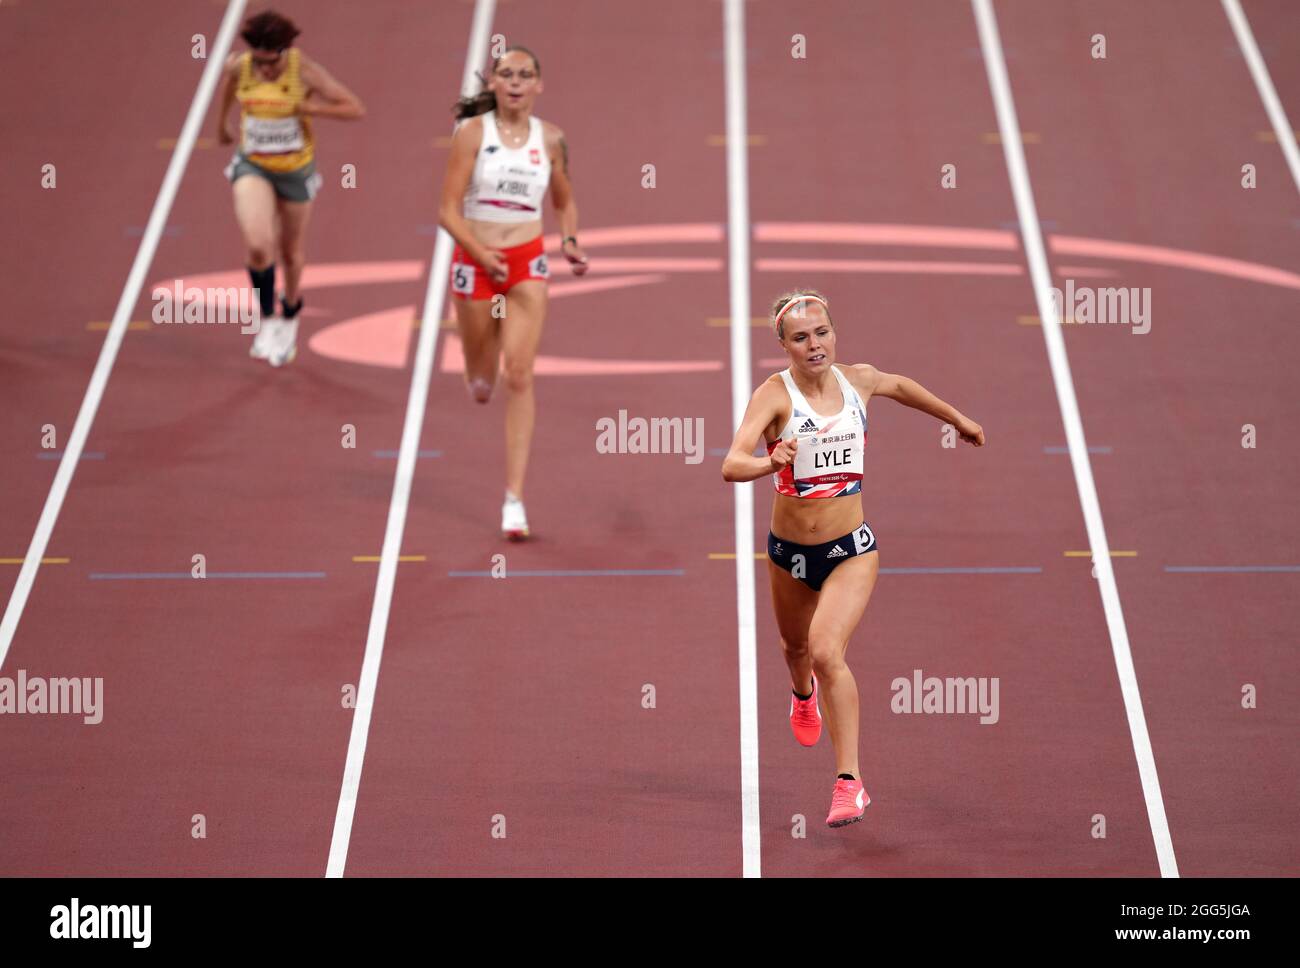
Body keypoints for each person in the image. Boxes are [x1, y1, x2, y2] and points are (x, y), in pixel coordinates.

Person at [722, 289, 985, 827]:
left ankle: (849, 784)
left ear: (834, 334)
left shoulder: (856, 380)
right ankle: (802, 697)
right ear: (783, 345)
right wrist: (770, 462)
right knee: (794, 648)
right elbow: (730, 464)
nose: (813, 344)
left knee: (824, 649)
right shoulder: (774, 396)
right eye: (800, 338)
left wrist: (955, 418)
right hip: (789, 552)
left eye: (821, 333)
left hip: (850, 549)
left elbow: (902, 386)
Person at [437, 46, 588, 540]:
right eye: (507, 75)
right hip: (476, 262)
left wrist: (568, 240)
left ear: (539, 85)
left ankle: (514, 499)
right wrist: (480, 253)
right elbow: (447, 211)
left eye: (526, 75)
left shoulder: (552, 139)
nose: (517, 83)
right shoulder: (472, 135)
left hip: (525, 265)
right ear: (495, 83)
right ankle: (475, 359)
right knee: (483, 382)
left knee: (519, 375)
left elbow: (564, 200)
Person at [215, 10, 365, 367]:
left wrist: (308, 107)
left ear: (284, 51)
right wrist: (222, 124)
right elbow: (229, 89)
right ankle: (266, 319)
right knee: (257, 245)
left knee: (291, 252)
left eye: (270, 62)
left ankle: (291, 313)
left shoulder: (304, 70)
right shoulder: (242, 67)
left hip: (295, 170)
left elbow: (354, 108)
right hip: (254, 164)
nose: (264, 69)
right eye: (259, 61)